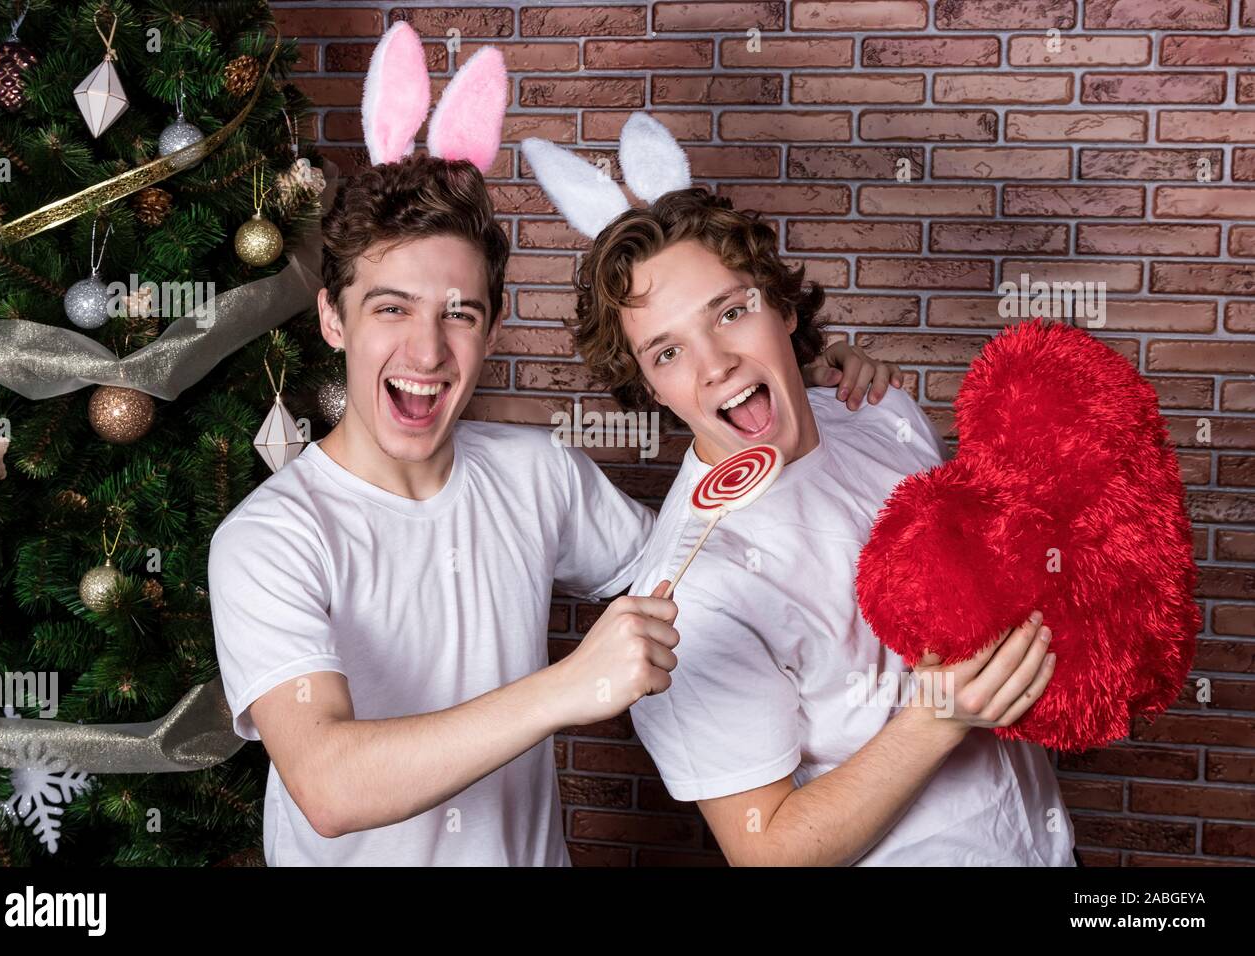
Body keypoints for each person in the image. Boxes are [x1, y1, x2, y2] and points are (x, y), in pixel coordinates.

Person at [206, 153, 902, 865]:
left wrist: (791, 370)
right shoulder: (268, 539)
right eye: (391, 308)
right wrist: (570, 687)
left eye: (460, 313)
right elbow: (328, 786)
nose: (427, 348)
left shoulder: (536, 473)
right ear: (332, 319)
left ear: (492, 328)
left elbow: (687, 562)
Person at [568, 186, 1077, 866]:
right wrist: (938, 719)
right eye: (667, 353)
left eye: (730, 312)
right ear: (650, 390)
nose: (714, 363)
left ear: (779, 305)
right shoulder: (695, 592)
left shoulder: (877, 409)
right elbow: (765, 849)